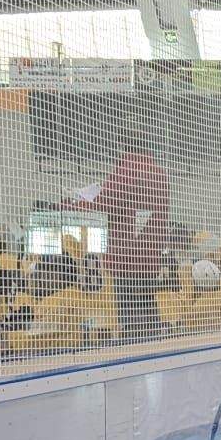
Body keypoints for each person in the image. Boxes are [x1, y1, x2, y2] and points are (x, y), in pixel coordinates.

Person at [66, 140, 170, 341]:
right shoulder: (160, 174)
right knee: (148, 314)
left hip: (125, 262)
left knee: (129, 320)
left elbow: (103, 204)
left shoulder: (124, 172)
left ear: (124, 145)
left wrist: (78, 203)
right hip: (150, 262)